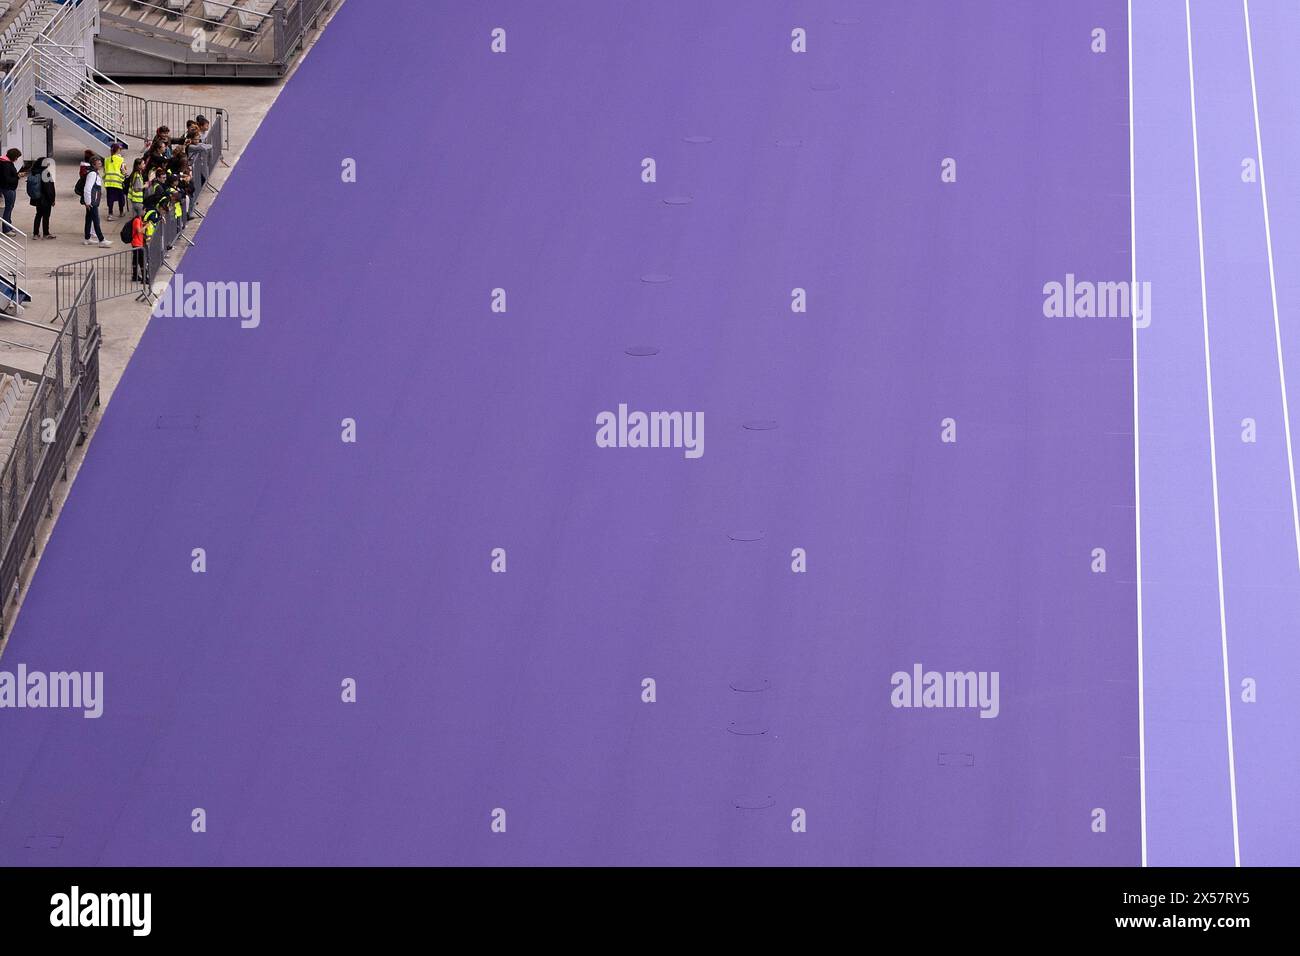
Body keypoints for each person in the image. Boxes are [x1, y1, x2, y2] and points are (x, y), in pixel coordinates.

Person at [82, 156, 109, 247]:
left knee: (89, 219)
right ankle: (101, 240)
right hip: (92, 201)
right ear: (94, 164)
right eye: (99, 163)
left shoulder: (94, 173)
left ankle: (87, 238)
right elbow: (87, 188)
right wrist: (88, 202)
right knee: (96, 220)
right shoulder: (92, 174)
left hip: (92, 200)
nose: (100, 164)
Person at [28, 156, 55, 239]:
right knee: (46, 216)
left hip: (37, 198)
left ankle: (35, 234)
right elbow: (48, 188)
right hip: (45, 198)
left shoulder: (33, 171)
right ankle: (46, 233)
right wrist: (52, 199)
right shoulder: (45, 173)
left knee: (38, 215)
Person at [0, 148, 21, 236]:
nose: (17, 159)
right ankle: (6, 229)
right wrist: (17, 177)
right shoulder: (7, 165)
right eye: (17, 157)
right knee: (8, 208)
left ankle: (9, 226)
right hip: (8, 188)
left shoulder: (3, 162)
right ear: (14, 157)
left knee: (9, 207)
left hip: (6, 188)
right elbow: (8, 179)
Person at [103, 142, 126, 222]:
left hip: (108, 182)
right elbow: (123, 171)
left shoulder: (106, 159)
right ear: (118, 150)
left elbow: (105, 171)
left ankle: (110, 214)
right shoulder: (121, 159)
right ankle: (121, 212)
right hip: (117, 182)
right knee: (120, 198)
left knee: (110, 198)